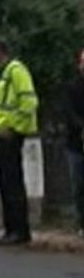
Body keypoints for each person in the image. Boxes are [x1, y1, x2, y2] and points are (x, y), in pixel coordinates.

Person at [0, 37, 39, 245]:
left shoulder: (16, 71)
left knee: (13, 182)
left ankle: (20, 230)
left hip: (10, 135)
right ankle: (10, 229)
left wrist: (13, 126)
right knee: (5, 184)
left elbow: (29, 101)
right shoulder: (4, 74)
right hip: (1, 136)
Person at [63, 49, 84, 237]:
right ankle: (81, 223)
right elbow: (69, 113)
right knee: (78, 184)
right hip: (76, 144)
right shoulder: (72, 87)